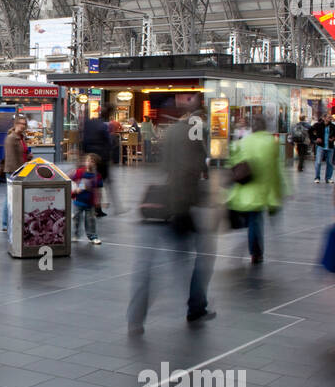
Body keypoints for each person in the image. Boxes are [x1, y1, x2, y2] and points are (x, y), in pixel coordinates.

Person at [127, 94, 215, 335]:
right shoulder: (194, 132)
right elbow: (194, 167)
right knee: (199, 259)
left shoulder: (172, 133)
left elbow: (166, 166)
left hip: (160, 204)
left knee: (150, 266)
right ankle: (196, 306)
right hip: (180, 206)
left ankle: (135, 317)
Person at [227, 116, 286, 264]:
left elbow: (233, 161)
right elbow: (276, 170)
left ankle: (247, 244)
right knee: (255, 220)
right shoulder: (270, 143)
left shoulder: (244, 141)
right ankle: (256, 253)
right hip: (260, 190)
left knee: (249, 219)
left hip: (243, 189)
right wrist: (279, 191)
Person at [81, 107, 113, 218]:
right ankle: (97, 209)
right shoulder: (103, 126)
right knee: (98, 184)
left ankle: (85, 205)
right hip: (101, 159)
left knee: (87, 181)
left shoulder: (89, 123)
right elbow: (108, 142)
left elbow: (83, 140)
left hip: (89, 156)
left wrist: (83, 155)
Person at [0, 115, 27, 232]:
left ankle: (15, 220)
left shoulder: (21, 138)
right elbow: (11, 158)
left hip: (22, 170)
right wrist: (18, 173)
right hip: (13, 171)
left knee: (16, 197)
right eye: (20, 123)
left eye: (24, 124)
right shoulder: (11, 138)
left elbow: (22, 153)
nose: (22, 126)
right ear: (15, 124)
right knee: (9, 197)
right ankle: (5, 223)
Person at [71, 154, 103, 245]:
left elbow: (99, 189)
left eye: (92, 161)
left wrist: (98, 201)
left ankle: (93, 237)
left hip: (90, 203)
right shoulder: (80, 172)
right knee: (76, 219)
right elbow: (72, 181)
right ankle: (75, 235)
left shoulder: (97, 176)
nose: (89, 163)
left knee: (91, 220)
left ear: (96, 164)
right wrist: (75, 189)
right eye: (88, 161)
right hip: (78, 201)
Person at [309, 113, 335, 184]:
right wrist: (315, 139)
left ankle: (328, 178)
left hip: (330, 147)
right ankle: (317, 177)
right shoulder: (318, 125)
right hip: (320, 146)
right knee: (318, 162)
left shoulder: (333, 126)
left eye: (330, 117)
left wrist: (333, 138)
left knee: (330, 163)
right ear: (324, 118)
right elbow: (310, 131)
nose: (330, 118)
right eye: (328, 117)